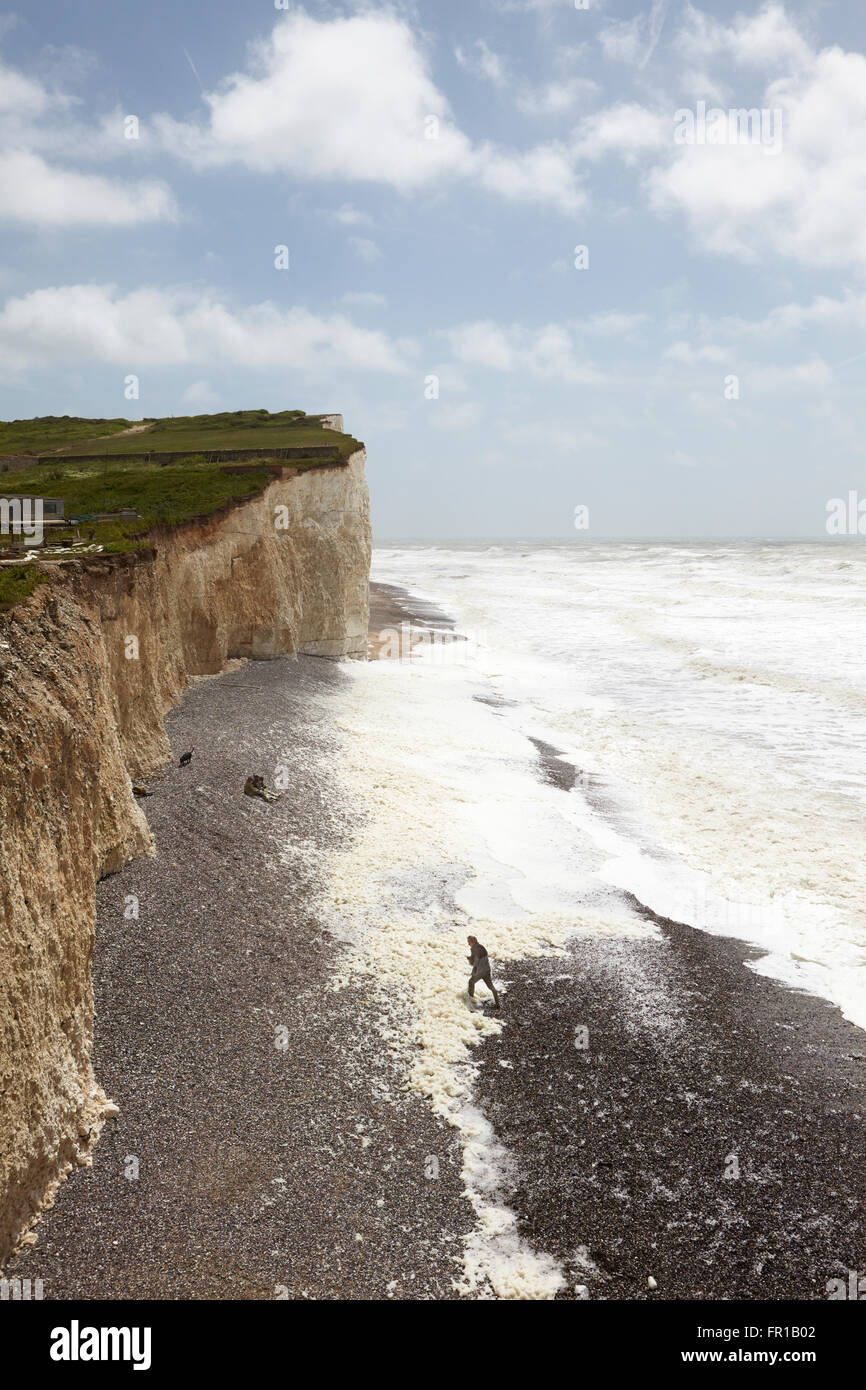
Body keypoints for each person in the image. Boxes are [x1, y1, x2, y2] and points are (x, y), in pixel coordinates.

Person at [466, 935, 500, 1008]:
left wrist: (474, 969)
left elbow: (476, 961)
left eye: (469, 942)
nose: (468, 944)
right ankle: (497, 1004)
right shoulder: (481, 947)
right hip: (487, 970)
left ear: (474, 941)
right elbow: (478, 958)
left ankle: (471, 1001)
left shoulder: (475, 949)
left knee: (471, 982)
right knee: (491, 987)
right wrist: (470, 958)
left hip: (480, 971)